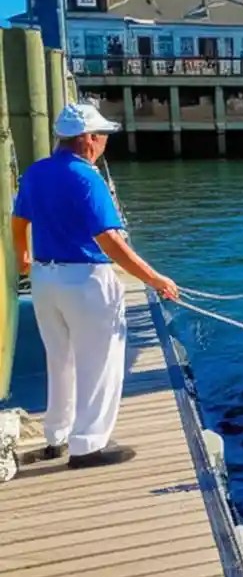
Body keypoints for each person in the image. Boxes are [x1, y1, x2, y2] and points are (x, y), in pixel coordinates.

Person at [12, 103, 179, 469]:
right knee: (100, 362)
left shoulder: (36, 172)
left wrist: (24, 258)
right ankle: (88, 445)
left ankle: (57, 436)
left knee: (59, 359)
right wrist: (153, 279)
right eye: (102, 136)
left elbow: (18, 220)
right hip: (85, 279)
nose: (104, 143)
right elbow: (109, 240)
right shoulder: (87, 178)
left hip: (45, 277)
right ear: (87, 139)